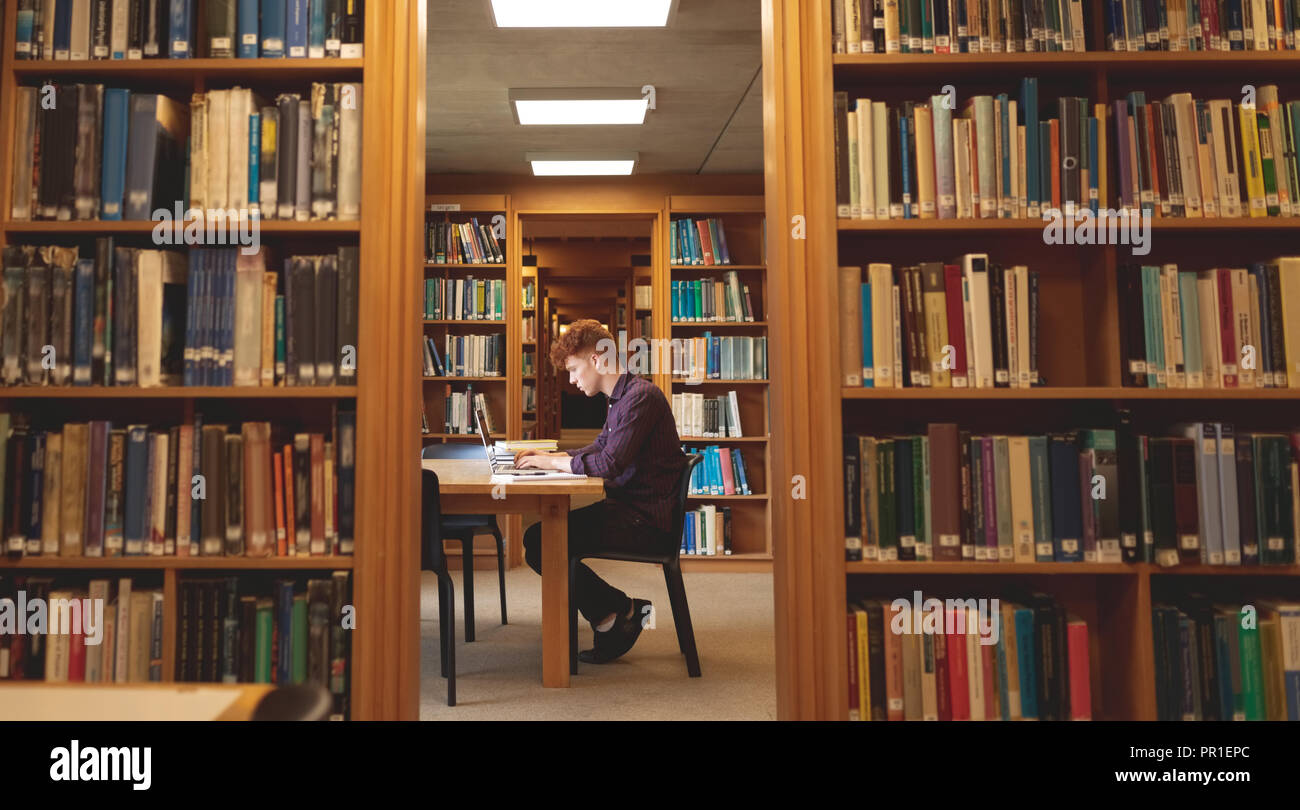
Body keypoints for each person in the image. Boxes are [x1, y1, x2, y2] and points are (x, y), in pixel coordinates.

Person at [516, 319, 687, 664]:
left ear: (596, 360)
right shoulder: (620, 399)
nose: (572, 380)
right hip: (628, 510)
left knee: (541, 539)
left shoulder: (642, 398)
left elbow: (608, 464)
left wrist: (549, 466)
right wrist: (551, 457)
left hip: (646, 523)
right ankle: (618, 612)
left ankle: (616, 613)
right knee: (541, 537)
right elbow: (599, 447)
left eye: (575, 369)